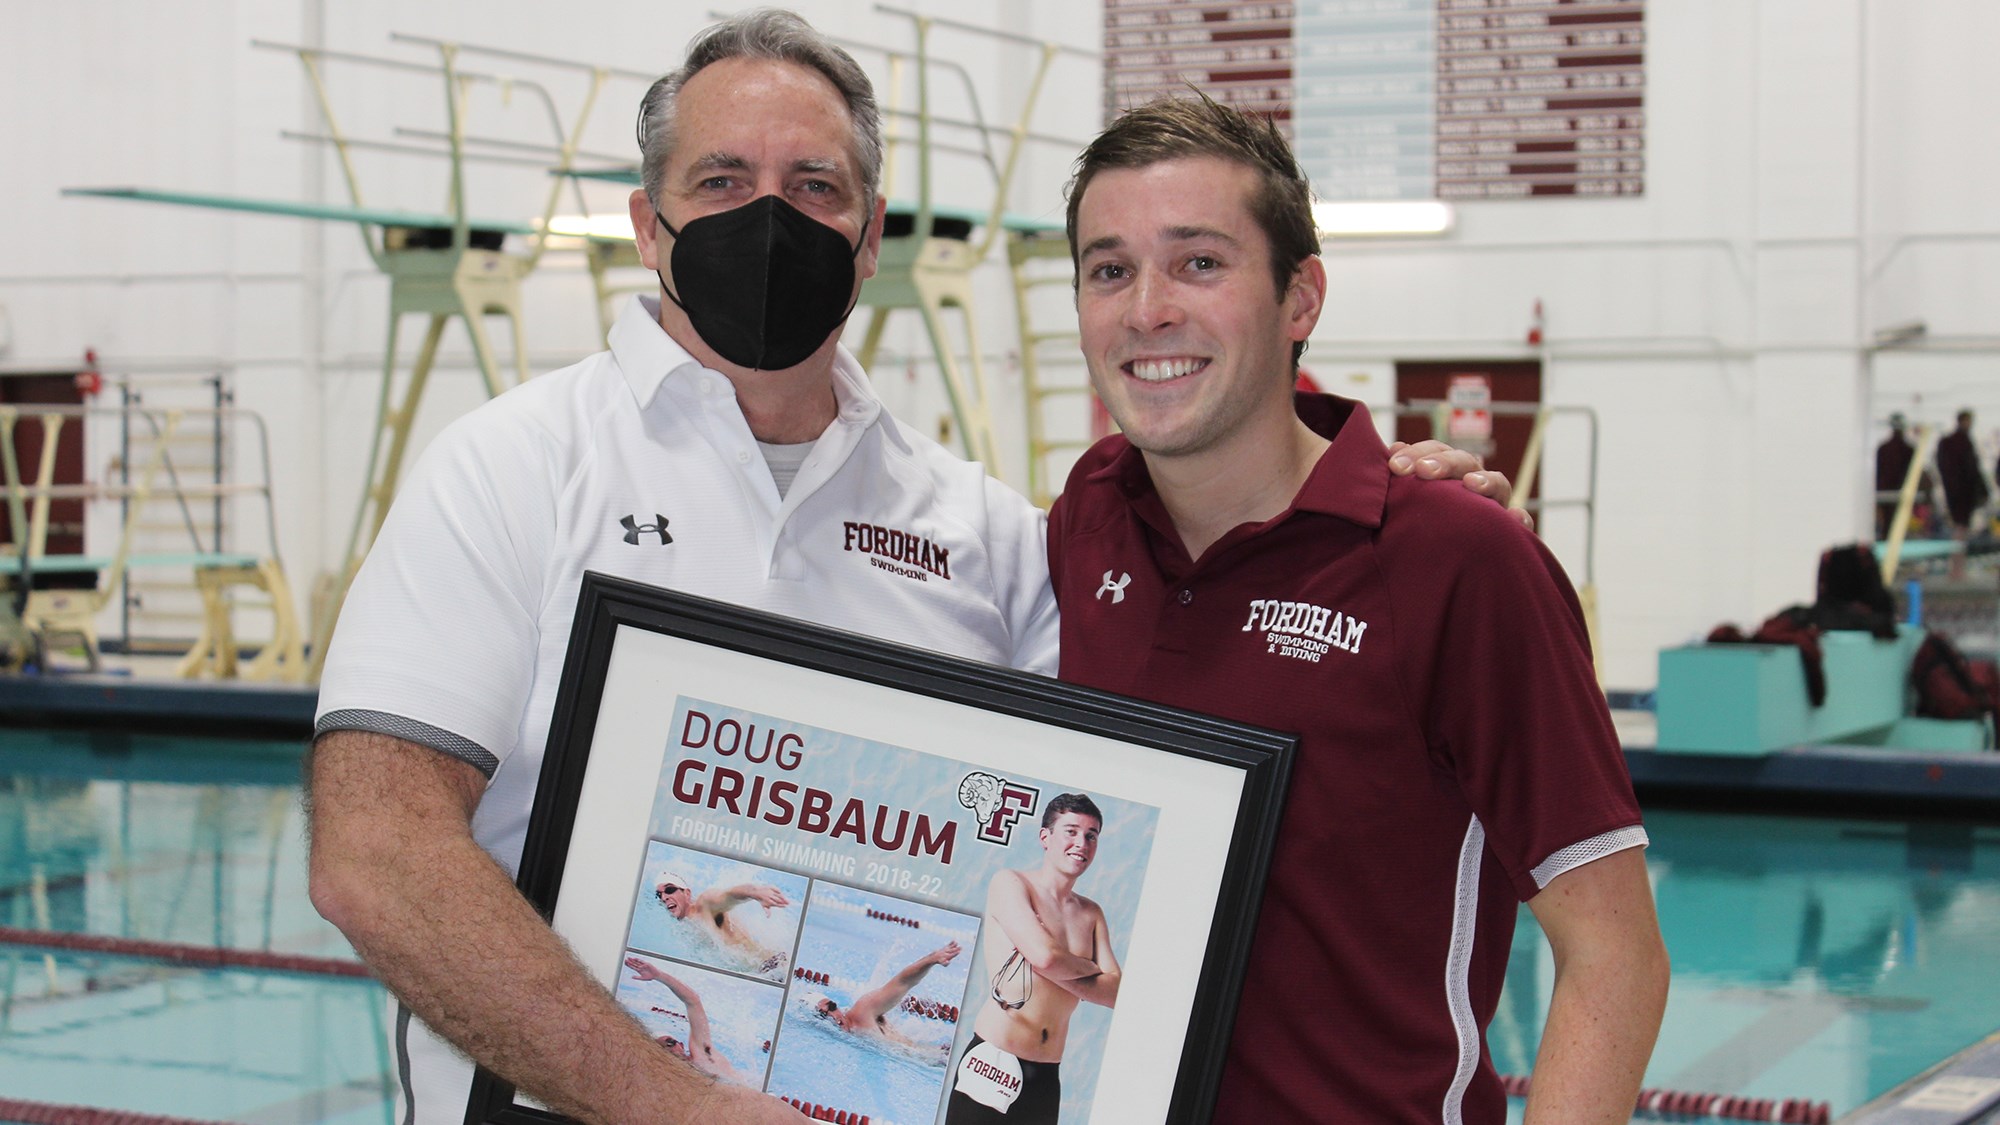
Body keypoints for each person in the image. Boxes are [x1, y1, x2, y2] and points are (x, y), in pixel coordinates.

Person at [306, 11, 1507, 1125]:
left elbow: (1168, 731)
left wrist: (1340, 501)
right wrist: (675, 1107)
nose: (765, 219)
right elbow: (376, 857)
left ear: (869, 235)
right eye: (720, 181)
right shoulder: (510, 471)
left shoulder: (975, 529)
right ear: (646, 225)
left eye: (813, 188)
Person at [1047, 93, 1669, 1124]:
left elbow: (1613, 956)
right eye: (1109, 269)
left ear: (1300, 299)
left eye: (1198, 263)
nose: (1146, 308)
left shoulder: (1458, 562)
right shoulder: (1087, 519)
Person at [946, 794, 1118, 1125]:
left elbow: (1116, 993)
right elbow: (1044, 957)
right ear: (1045, 837)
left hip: (1046, 1074)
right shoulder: (1011, 883)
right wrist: (1090, 970)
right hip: (993, 1061)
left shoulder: (1091, 913)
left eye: (1091, 835)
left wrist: (1055, 961)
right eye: (1071, 831)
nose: (1081, 842)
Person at [623, 957, 755, 1088]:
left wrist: (659, 976)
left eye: (670, 1043)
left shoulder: (704, 1054)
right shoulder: (677, 1086)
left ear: (681, 1045)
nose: (670, 1050)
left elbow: (693, 1002)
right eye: (663, 1049)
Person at [810, 940, 962, 1051]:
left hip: (939, 1056)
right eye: (824, 1014)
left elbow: (902, 982)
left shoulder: (863, 1010)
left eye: (832, 1007)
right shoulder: (851, 1038)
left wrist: (932, 959)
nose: (833, 1016)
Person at [651, 869, 791, 972]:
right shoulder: (682, 925)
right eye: (659, 895)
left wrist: (755, 892)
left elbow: (729, 896)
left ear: (686, 893)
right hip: (759, 972)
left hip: (772, 966)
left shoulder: (705, 905)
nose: (664, 898)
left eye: (669, 890)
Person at [1874, 412, 1933, 540]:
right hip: (1901, 496)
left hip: (1889, 495)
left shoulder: (1885, 449)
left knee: (1890, 528)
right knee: (1899, 528)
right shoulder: (1906, 450)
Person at [1935, 409, 1987, 538]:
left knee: (1961, 524)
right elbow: (1969, 468)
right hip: (1961, 491)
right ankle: (1958, 553)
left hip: (1960, 491)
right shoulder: (1957, 442)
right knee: (1961, 524)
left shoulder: (1959, 441)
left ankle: (1958, 552)